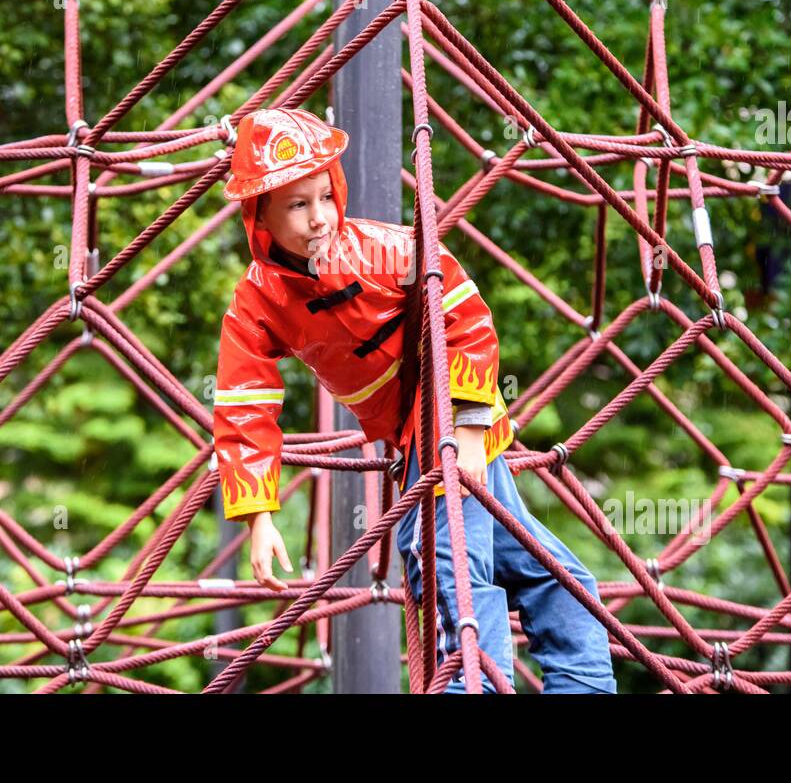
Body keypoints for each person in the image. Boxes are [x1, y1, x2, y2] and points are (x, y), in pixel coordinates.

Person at [212, 106, 615, 693]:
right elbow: (244, 400)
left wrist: (468, 427)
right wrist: (258, 513)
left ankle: (491, 685)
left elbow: (466, 316)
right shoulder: (258, 301)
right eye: (298, 205)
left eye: (326, 196)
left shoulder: (384, 251)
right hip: (413, 438)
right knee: (531, 568)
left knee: (451, 560)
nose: (320, 218)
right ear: (261, 213)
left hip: (448, 416)